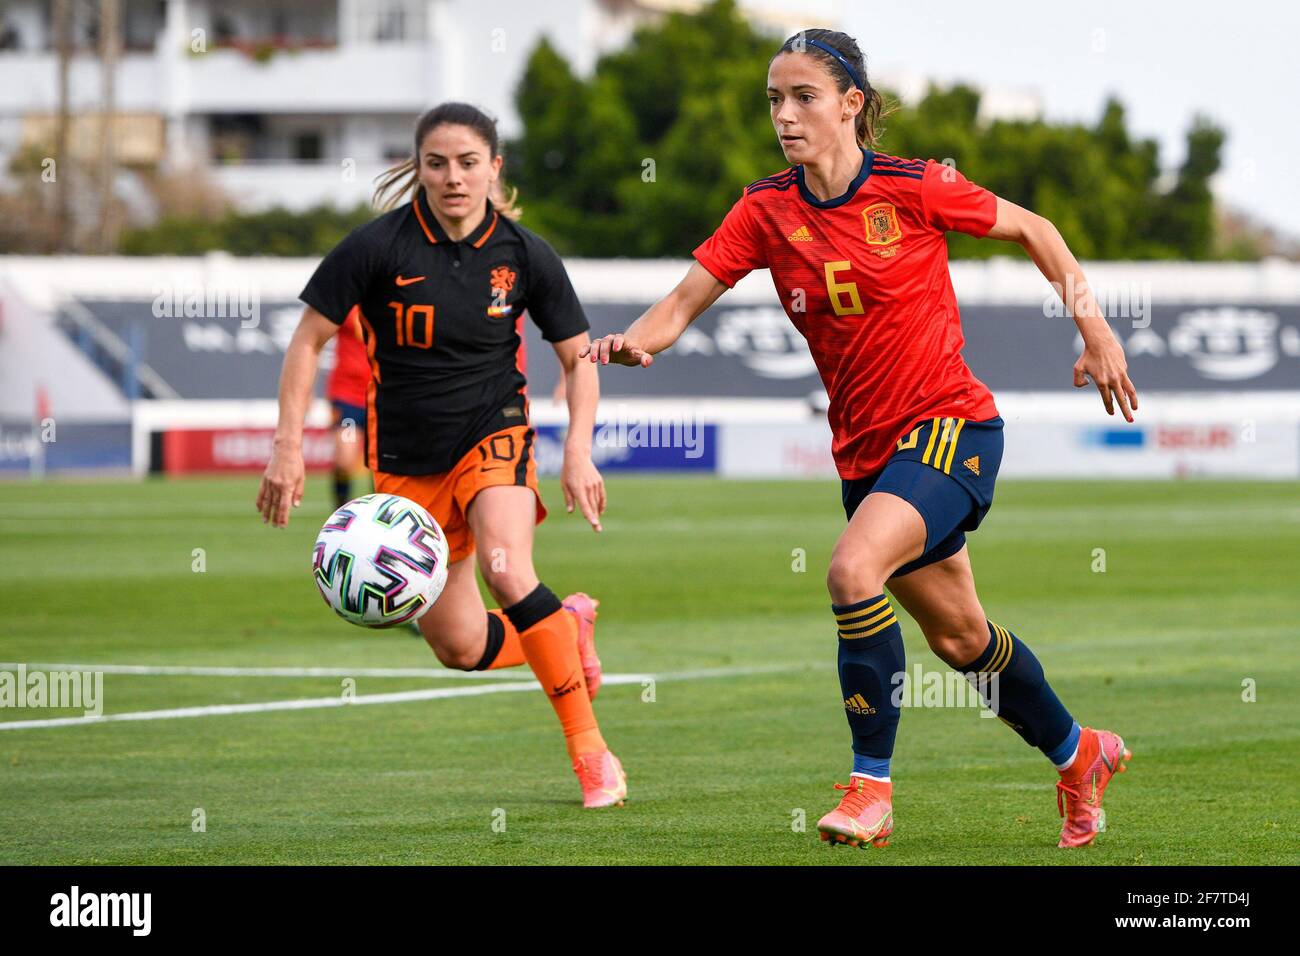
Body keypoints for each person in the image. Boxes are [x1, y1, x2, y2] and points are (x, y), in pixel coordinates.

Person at [583, 29, 1137, 845]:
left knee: (850, 570)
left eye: (804, 96)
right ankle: (1077, 752)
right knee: (961, 638)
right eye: (774, 98)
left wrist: (1096, 330)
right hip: (869, 458)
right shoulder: (766, 209)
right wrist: (638, 340)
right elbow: (681, 302)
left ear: (851, 104)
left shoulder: (916, 186)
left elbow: (1037, 230)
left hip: (953, 426)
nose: (785, 114)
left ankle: (869, 790)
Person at [258, 102, 626, 808]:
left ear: (494, 166)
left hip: (496, 434)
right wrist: (287, 449)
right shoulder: (375, 249)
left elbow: (579, 359)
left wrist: (578, 449)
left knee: (506, 568)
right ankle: (566, 626)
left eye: (467, 162)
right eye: (437, 164)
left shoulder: (524, 254)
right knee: (458, 646)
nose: (453, 177)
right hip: (403, 458)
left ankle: (591, 753)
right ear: (418, 169)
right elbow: (306, 341)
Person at [326, 306, 370, 511]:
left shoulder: (391, 299)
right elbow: (313, 341)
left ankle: (380, 513)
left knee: (380, 465)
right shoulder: (347, 304)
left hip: (382, 397)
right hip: (348, 397)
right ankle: (340, 510)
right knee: (344, 459)